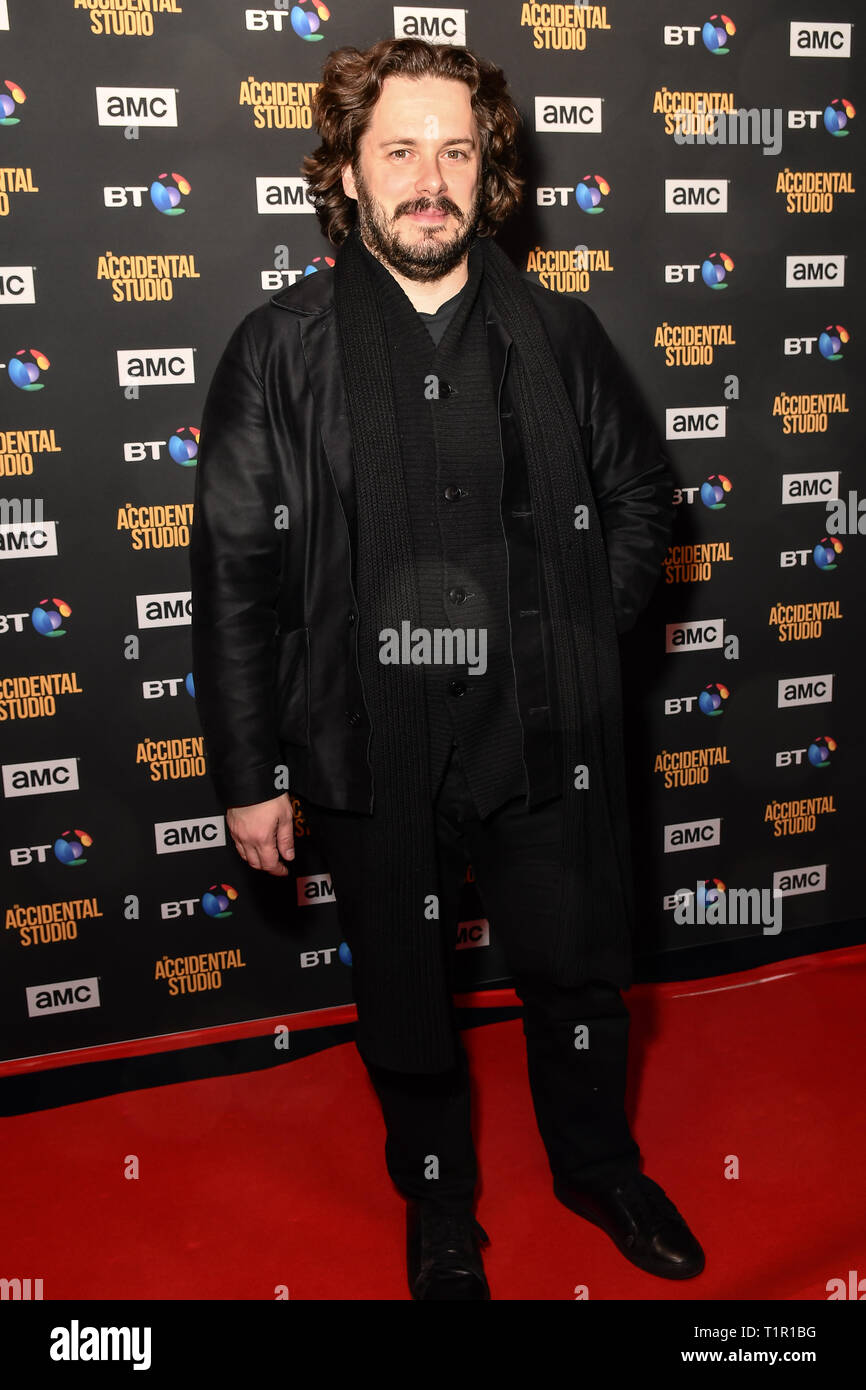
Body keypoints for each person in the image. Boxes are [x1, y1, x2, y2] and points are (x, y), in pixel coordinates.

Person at [190, 36, 704, 1300]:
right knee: (406, 1000)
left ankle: (595, 1169)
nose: (432, 178)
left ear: (491, 172)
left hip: (541, 730)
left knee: (580, 974)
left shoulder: (556, 333)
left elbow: (644, 496)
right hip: (371, 743)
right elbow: (235, 573)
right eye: (400, 151)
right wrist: (251, 769)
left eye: (457, 151)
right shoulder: (281, 349)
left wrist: (582, 631)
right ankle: (436, 1209)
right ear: (349, 175)